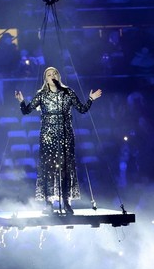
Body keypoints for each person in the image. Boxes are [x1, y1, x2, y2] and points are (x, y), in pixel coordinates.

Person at [14, 67, 101, 215]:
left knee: (65, 170)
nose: (52, 76)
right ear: (45, 79)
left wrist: (91, 99)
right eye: (49, 74)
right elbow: (26, 111)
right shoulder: (41, 95)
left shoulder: (68, 93)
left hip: (66, 136)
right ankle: (49, 203)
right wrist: (21, 101)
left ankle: (66, 202)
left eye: (54, 73)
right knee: (48, 169)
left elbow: (82, 109)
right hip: (48, 136)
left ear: (58, 76)